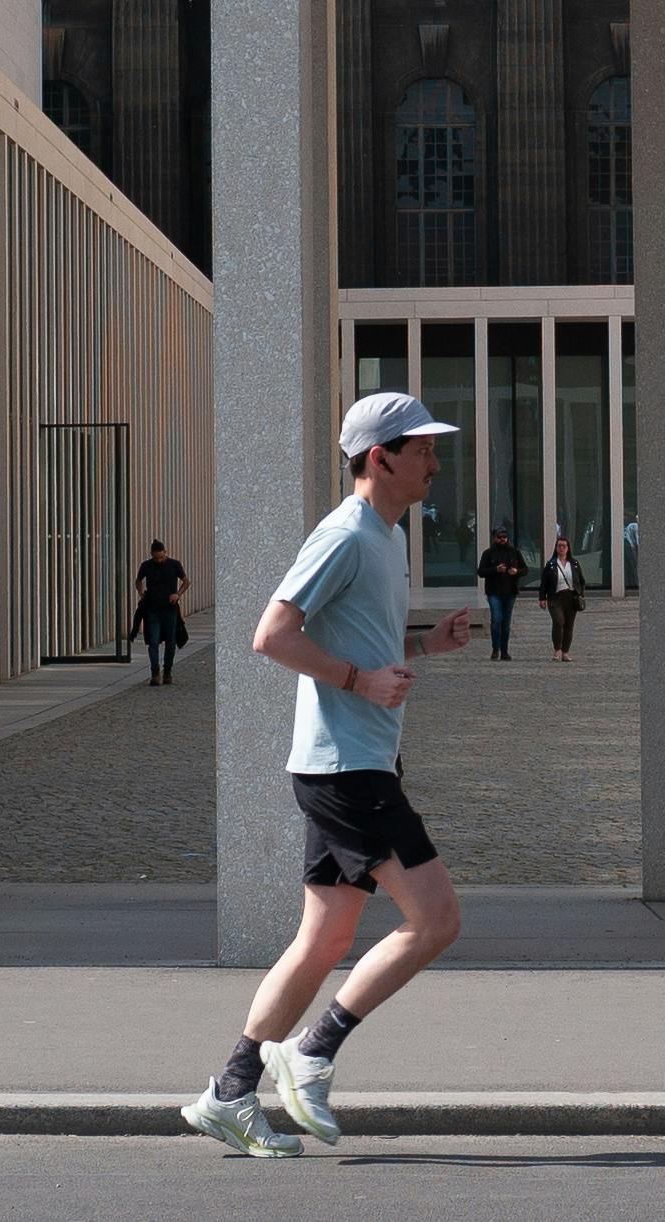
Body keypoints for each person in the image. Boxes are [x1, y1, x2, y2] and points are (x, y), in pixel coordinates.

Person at [178, 389, 477, 1157]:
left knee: (320, 940)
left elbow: (365, 646)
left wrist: (424, 648)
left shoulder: (380, 536)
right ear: (380, 458)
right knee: (435, 920)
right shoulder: (346, 533)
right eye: (422, 450)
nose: (434, 463)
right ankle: (311, 1052)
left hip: (346, 764)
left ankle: (229, 1091)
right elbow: (271, 636)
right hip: (348, 771)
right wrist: (357, 681)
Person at [132, 541, 189, 686]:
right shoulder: (146, 566)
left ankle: (167, 671)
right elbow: (138, 580)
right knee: (153, 642)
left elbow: (186, 581)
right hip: (152, 609)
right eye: (156, 558)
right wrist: (141, 592)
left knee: (171, 642)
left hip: (169, 608)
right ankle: (155, 673)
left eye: (161, 557)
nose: (158, 560)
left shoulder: (174, 564)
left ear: (165, 552)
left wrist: (177, 594)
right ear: (152, 555)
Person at [475, 526, 528, 664]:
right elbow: (480, 571)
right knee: (496, 619)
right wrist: (495, 569)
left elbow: (525, 569)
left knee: (506, 623)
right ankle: (495, 648)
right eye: (499, 537)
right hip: (494, 592)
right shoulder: (488, 553)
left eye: (504, 537)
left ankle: (504, 650)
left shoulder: (514, 552)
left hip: (510, 591)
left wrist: (516, 572)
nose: (502, 539)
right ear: (494, 538)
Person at [539, 532, 587, 663]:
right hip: (556, 597)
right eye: (559, 546)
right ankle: (557, 650)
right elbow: (544, 583)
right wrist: (542, 598)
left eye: (564, 546)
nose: (561, 548)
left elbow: (581, 581)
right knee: (559, 621)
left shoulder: (574, 563)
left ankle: (566, 651)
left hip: (571, 597)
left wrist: (580, 593)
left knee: (569, 625)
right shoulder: (551, 564)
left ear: (568, 548)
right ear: (556, 548)